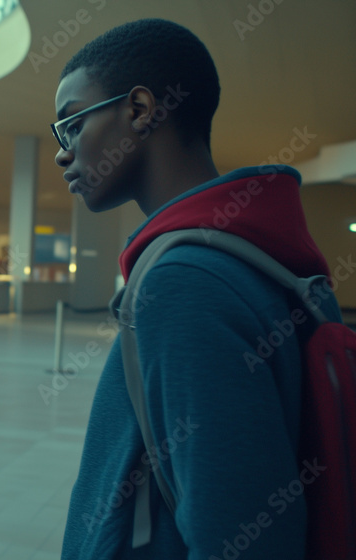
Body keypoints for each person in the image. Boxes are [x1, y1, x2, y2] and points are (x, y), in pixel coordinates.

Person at [52, 19, 338, 558]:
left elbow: (241, 536)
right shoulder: (259, 256)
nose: (62, 153)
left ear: (140, 110)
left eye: (72, 124)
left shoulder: (184, 282)